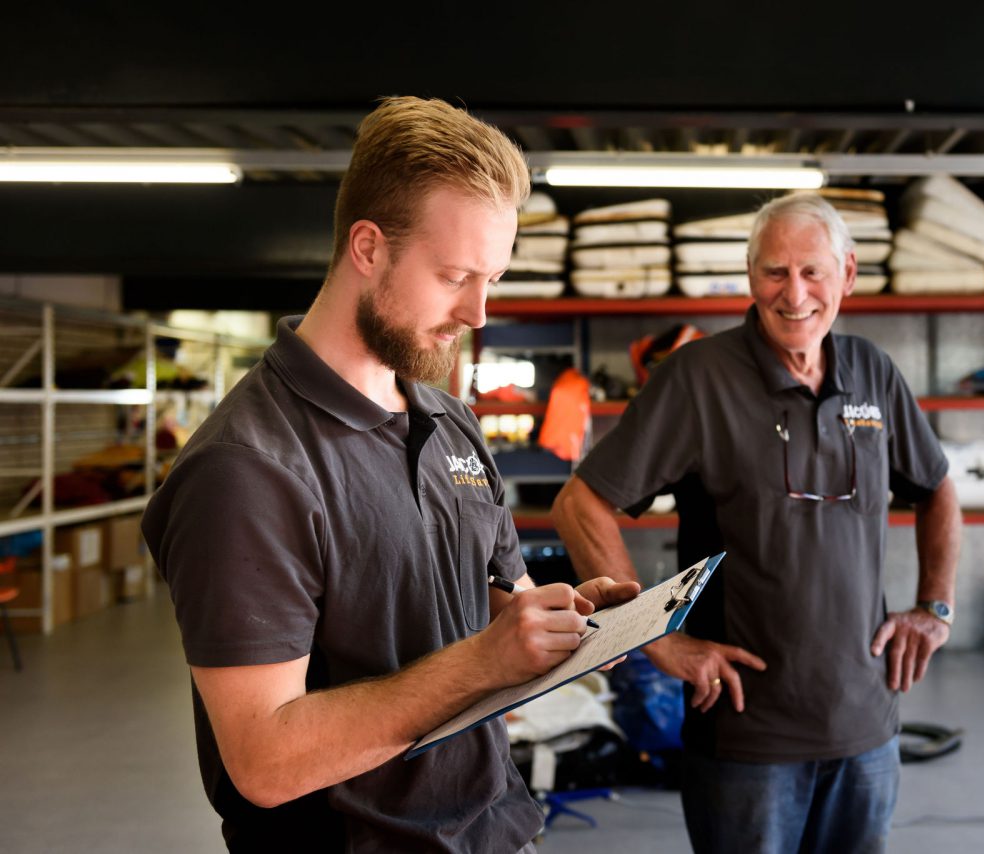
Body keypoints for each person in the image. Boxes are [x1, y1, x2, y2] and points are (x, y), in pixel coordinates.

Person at [141, 96, 638, 853]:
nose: (477, 312)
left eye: (492, 279)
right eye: (454, 276)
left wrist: (557, 624)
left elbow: (500, 603)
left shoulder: (446, 418)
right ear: (367, 248)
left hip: (492, 826)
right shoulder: (247, 469)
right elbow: (266, 762)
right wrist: (481, 662)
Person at [551, 192, 962, 853]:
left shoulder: (872, 374)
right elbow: (581, 503)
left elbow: (937, 486)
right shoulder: (697, 379)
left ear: (847, 275)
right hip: (746, 737)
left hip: (866, 728)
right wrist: (653, 637)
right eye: (774, 271)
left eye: (812, 271)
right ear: (750, 277)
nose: (793, 293)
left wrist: (935, 606)